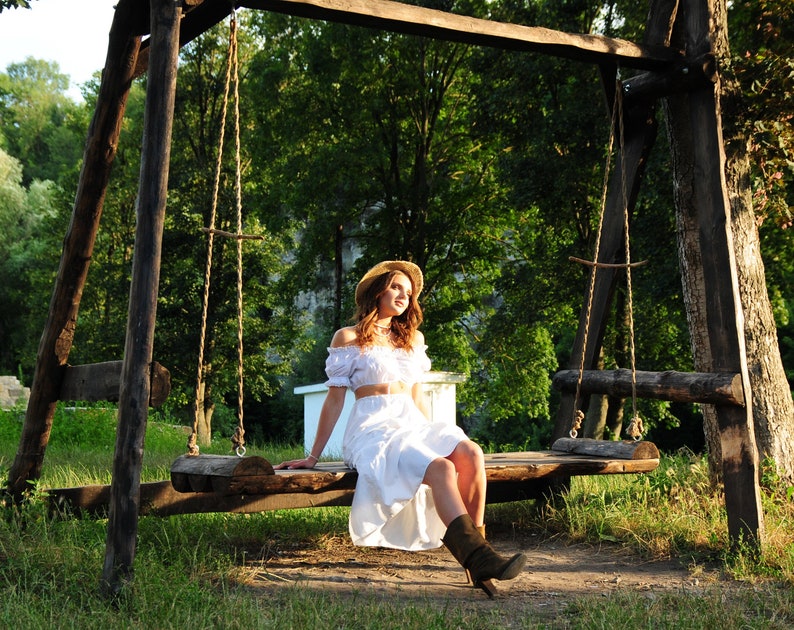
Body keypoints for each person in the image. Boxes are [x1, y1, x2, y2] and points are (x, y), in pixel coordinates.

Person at [275, 260, 525, 597]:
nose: (403, 295)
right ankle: (480, 559)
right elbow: (334, 401)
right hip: (373, 427)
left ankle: (480, 552)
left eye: (408, 292)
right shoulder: (348, 338)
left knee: (470, 452)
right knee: (440, 468)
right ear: (378, 291)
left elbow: (417, 397)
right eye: (396, 287)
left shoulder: (412, 339)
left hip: (411, 422)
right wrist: (313, 456)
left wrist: (434, 435)